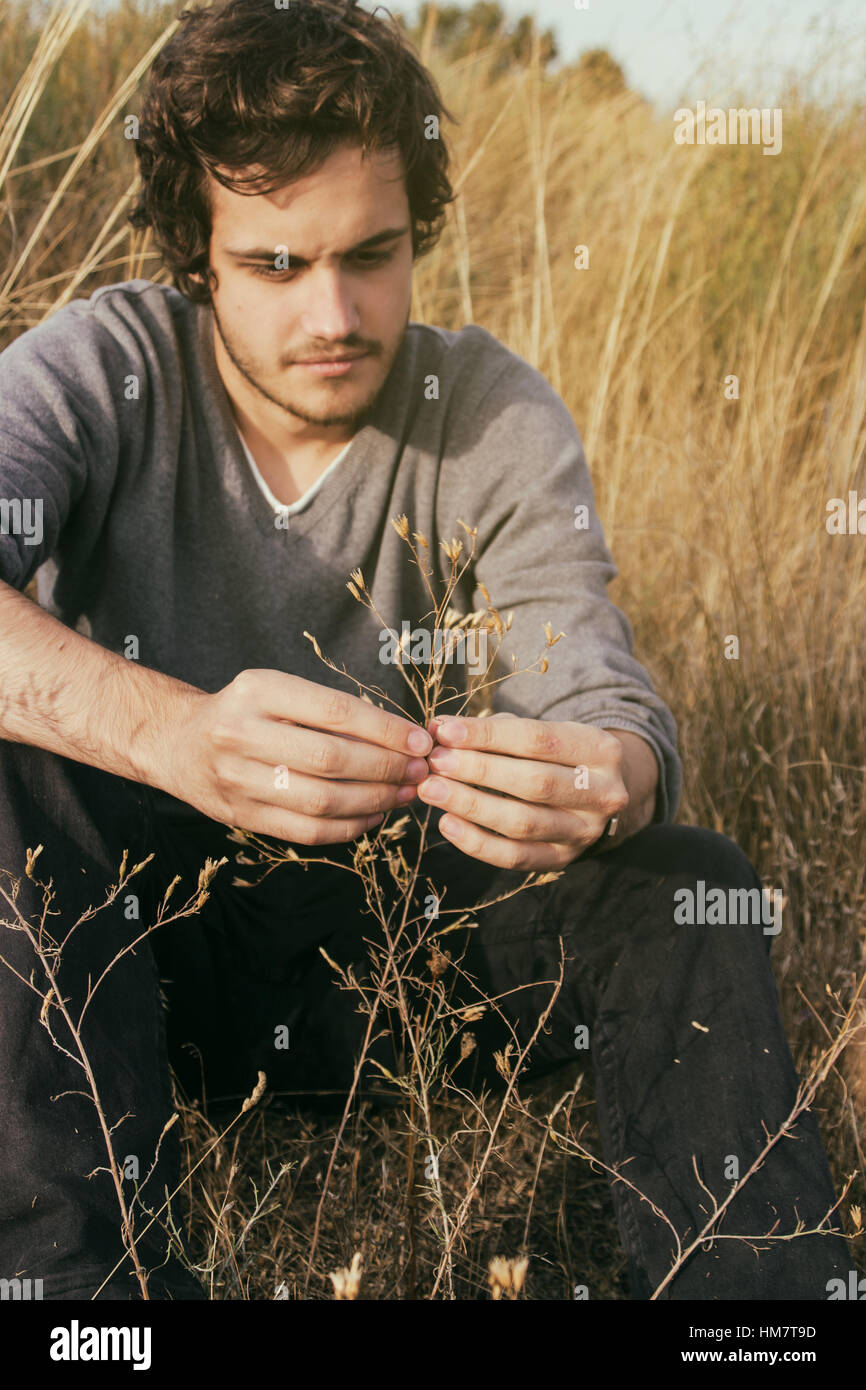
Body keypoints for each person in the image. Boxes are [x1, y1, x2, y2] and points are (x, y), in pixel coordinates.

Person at [0, 0, 849, 1300]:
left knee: (685, 884)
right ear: (198, 261)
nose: (334, 313)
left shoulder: (488, 408)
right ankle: (83, 1306)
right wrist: (172, 734)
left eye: (371, 256)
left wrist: (604, 776)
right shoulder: (109, 364)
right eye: (275, 266)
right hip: (125, 952)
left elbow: (596, 687)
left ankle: (760, 1315)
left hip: (391, 950)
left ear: (417, 240)